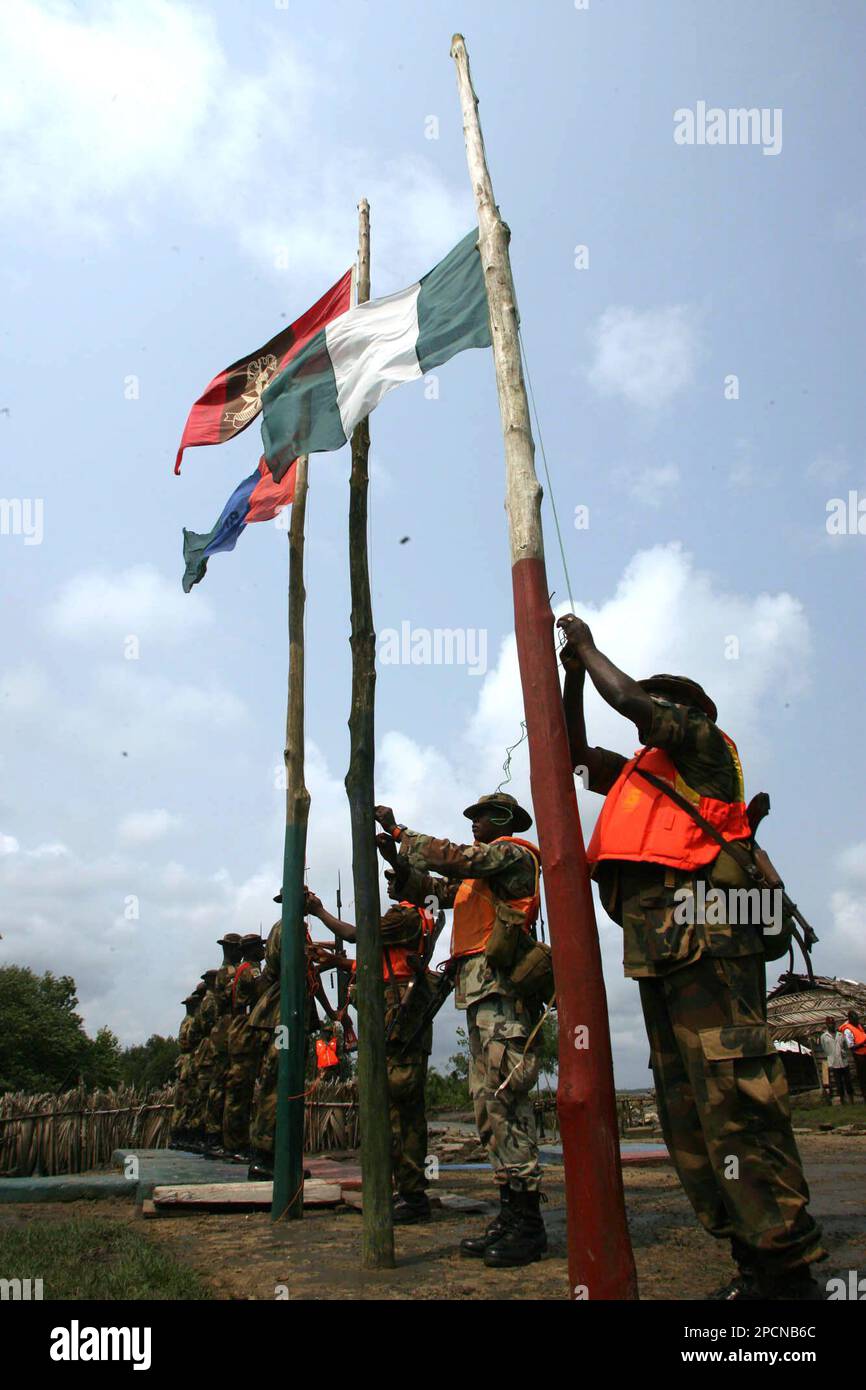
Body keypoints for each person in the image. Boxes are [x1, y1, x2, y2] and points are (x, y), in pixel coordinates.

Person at [557, 611, 826, 1301]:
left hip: (712, 944)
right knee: (691, 1117)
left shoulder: (706, 753)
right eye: (661, 699)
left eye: (672, 701)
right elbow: (576, 755)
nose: (662, 708)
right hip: (661, 956)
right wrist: (571, 681)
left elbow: (635, 705)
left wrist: (589, 651)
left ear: (692, 712)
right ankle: (755, 1264)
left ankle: (790, 1275)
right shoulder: (641, 777)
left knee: (738, 1101)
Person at [374, 793, 547, 1267]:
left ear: (506, 821)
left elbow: (453, 859)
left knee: (505, 1099)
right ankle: (512, 1213)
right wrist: (399, 864)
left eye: (483, 817)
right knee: (487, 1105)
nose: (475, 823)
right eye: (471, 817)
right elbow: (433, 890)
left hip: (502, 996)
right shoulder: (479, 880)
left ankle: (528, 1223)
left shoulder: (512, 855)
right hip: (479, 996)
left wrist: (400, 833)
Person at [306, 888, 436, 1225]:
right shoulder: (421, 917)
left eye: (398, 876)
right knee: (399, 1109)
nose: (392, 884)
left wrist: (319, 911)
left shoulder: (406, 916)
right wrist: (342, 963)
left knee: (400, 1110)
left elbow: (357, 933)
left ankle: (412, 1195)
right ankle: (406, 1188)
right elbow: (384, 959)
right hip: (401, 1019)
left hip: (400, 1022)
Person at [222, 934, 267, 1160]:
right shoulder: (252, 969)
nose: (264, 951)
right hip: (244, 1031)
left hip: (240, 1029)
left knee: (240, 1090)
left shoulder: (242, 968)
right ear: (252, 950)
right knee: (239, 1089)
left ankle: (236, 1142)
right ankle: (234, 1145)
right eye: (260, 947)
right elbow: (261, 989)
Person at [202, 933, 244, 1157]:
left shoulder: (228, 971)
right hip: (226, 1029)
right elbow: (235, 996)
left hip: (224, 1029)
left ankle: (218, 1137)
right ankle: (216, 1138)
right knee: (223, 1083)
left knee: (222, 1083)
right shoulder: (229, 972)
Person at [169, 990, 203, 1150]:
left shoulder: (186, 1020)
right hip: (188, 1061)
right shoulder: (190, 1022)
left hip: (184, 1061)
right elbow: (191, 1039)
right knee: (186, 1100)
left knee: (183, 1100)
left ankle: (178, 1134)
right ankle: (180, 1134)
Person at [820, 1017, 853, 1104]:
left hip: (844, 1062)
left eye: (832, 1023)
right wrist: (831, 1056)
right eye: (829, 1024)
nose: (831, 1025)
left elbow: (845, 1046)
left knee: (848, 1081)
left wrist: (843, 1053)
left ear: (835, 1024)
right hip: (834, 1063)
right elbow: (825, 1049)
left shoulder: (840, 1035)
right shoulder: (824, 1037)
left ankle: (851, 1098)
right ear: (827, 1025)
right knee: (838, 1082)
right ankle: (842, 1100)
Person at [838, 1010, 866, 1102]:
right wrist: (863, 1044)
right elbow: (852, 1047)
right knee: (863, 1076)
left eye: (857, 1019)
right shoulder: (847, 1030)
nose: (857, 1021)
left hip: (865, 1052)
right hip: (859, 1055)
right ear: (850, 1019)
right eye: (854, 1019)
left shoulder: (859, 1025)